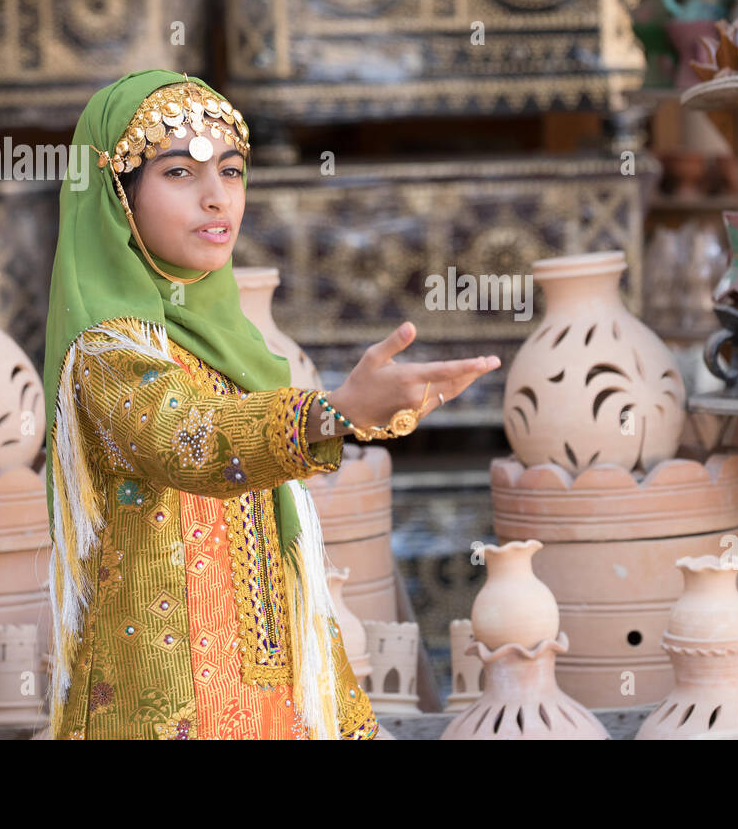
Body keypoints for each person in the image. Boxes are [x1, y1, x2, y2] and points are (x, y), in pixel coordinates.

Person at [42, 69, 500, 739]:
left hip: (271, 677)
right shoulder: (108, 350)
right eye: (178, 174)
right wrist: (334, 411)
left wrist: (362, 411)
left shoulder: (232, 344)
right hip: (168, 697)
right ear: (117, 194)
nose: (215, 197)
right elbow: (189, 441)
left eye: (231, 172)